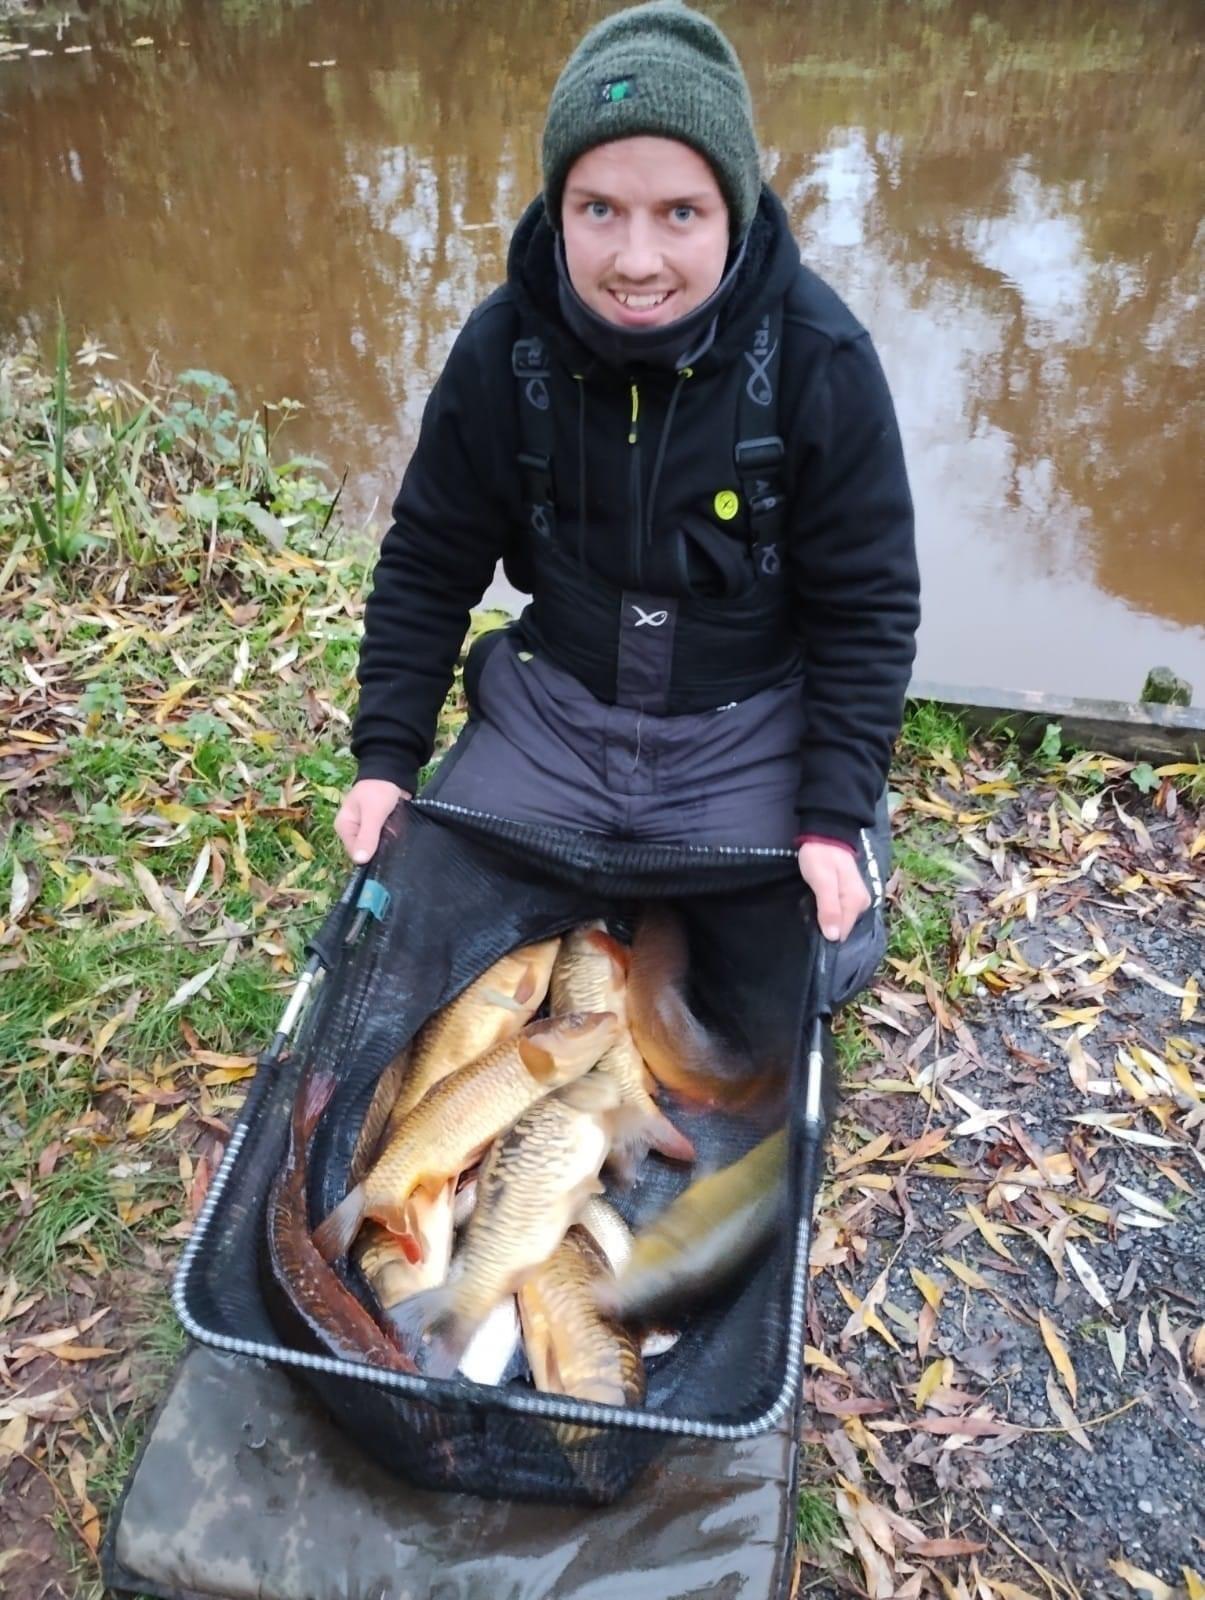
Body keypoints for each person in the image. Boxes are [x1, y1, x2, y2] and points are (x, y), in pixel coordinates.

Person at [336, 0, 920, 1005]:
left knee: (815, 963)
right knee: (416, 930)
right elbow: (429, 562)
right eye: (598, 209)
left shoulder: (822, 359)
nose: (635, 261)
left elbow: (866, 611)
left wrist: (829, 816)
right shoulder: (499, 349)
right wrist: (386, 758)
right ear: (557, 207)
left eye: (678, 214)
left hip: (745, 724)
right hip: (555, 718)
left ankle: (761, 865)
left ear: (731, 210)